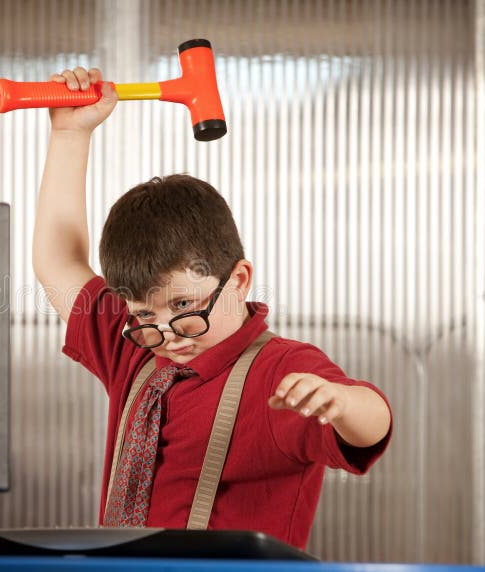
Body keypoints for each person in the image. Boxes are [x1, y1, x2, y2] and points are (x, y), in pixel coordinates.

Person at [32, 66, 392, 550]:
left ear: (238, 280)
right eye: (143, 314)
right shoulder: (136, 351)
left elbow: (373, 425)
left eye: (183, 304)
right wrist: (70, 134)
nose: (168, 333)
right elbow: (59, 262)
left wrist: (343, 403)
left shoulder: (279, 372)